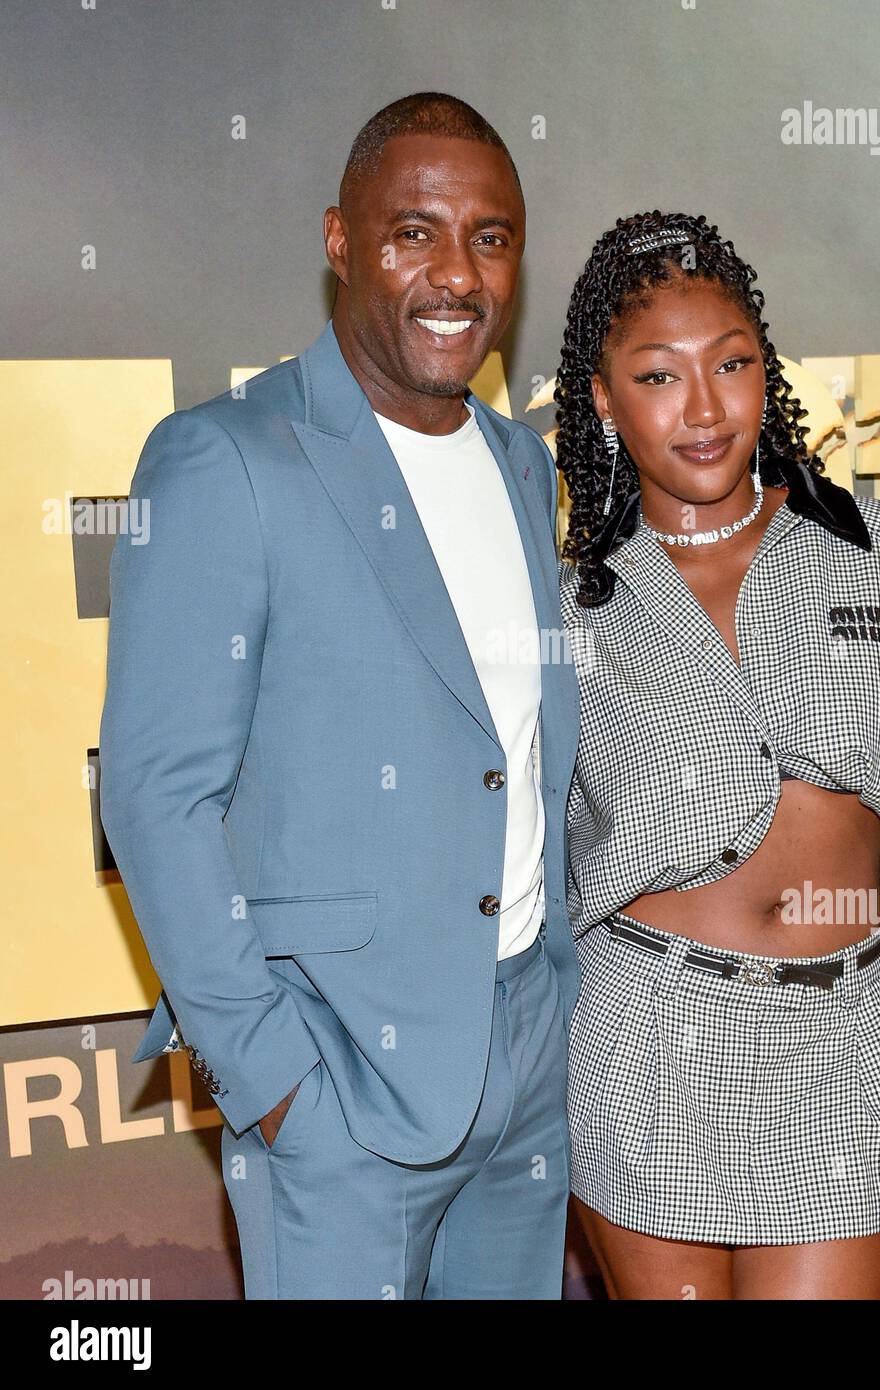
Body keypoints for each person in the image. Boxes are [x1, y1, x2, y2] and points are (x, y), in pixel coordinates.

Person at [98, 92, 580, 1300]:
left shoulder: (526, 467)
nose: (455, 275)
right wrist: (274, 1082)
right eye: (412, 231)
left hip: (526, 1060)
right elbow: (157, 797)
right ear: (338, 241)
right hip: (337, 1092)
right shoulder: (229, 458)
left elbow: (511, 751)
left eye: (491, 237)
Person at [554, 210, 880, 1300]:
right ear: (602, 397)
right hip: (643, 1044)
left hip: (846, 1044)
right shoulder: (572, 606)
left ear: (768, 370)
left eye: (732, 363)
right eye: (659, 376)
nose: (707, 406)